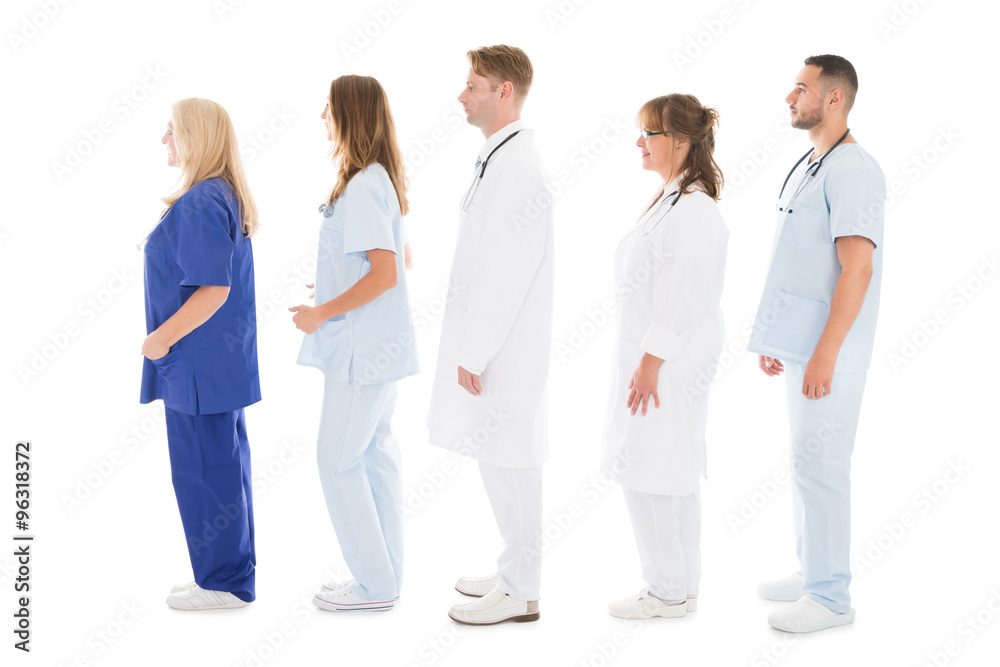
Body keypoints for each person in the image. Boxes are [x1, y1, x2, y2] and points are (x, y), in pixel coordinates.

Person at [748, 54, 885, 633]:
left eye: (800, 89)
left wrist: (826, 351)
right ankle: (812, 571)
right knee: (805, 462)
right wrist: (782, 335)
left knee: (823, 465)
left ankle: (830, 597)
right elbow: (801, 262)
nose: (789, 97)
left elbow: (856, 270)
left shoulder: (852, 171)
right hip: (805, 344)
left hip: (834, 350)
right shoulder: (812, 163)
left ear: (833, 98)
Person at [426, 44, 553, 625]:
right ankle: (511, 571)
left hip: (505, 349)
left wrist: (475, 352)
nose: (462, 94)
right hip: (492, 345)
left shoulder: (520, 166)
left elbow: (508, 272)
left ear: (505, 92)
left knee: (514, 461)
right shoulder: (497, 160)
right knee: (496, 459)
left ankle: (522, 589)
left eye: (473, 85)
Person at [290, 74, 417, 612]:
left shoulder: (364, 184)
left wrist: (323, 310)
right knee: (373, 457)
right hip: (380, 349)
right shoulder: (380, 179)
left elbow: (386, 274)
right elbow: (397, 263)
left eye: (328, 107)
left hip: (362, 354)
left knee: (337, 461)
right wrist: (338, 283)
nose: (323, 116)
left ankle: (373, 585)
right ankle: (384, 577)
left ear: (350, 114)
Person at [603, 94, 728, 620]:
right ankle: (682, 585)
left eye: (648, 133)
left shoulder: (694, 210)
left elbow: (682, 293)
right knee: (666, 467)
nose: (638, 143)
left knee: (650, 467)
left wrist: (651, 361)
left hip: (666, 362)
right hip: (658, 357)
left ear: (681, 140)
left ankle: (666, 591)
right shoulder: (672, 199)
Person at [140, 97, 261, 611]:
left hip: (195, 368)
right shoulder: (221, 196)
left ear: (194, 137)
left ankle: (225, 583)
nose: (164, 140)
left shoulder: (198, 203)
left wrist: (158, 340)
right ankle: (227, 575)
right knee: (224, 468)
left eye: (171, 131)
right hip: (214, 367)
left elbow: (213, 289)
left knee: (204, 470)